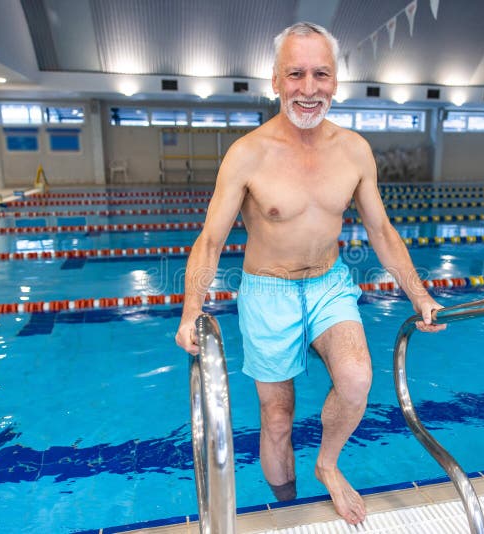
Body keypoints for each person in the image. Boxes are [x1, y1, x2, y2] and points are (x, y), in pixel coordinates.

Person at [175, 21, 445, 525]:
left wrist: (419, 295)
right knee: (277, 419)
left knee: (357, 377)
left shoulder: (353, 150)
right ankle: (287, 513)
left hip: (328, 285)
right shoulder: (247, 154)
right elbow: (211, 239)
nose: (308, 87)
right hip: (267, 292)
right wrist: (192, 308)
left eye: (320, 74)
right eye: (295, 73)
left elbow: (382, 231)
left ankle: (327, 464)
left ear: (336, 82)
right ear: (275, 80)